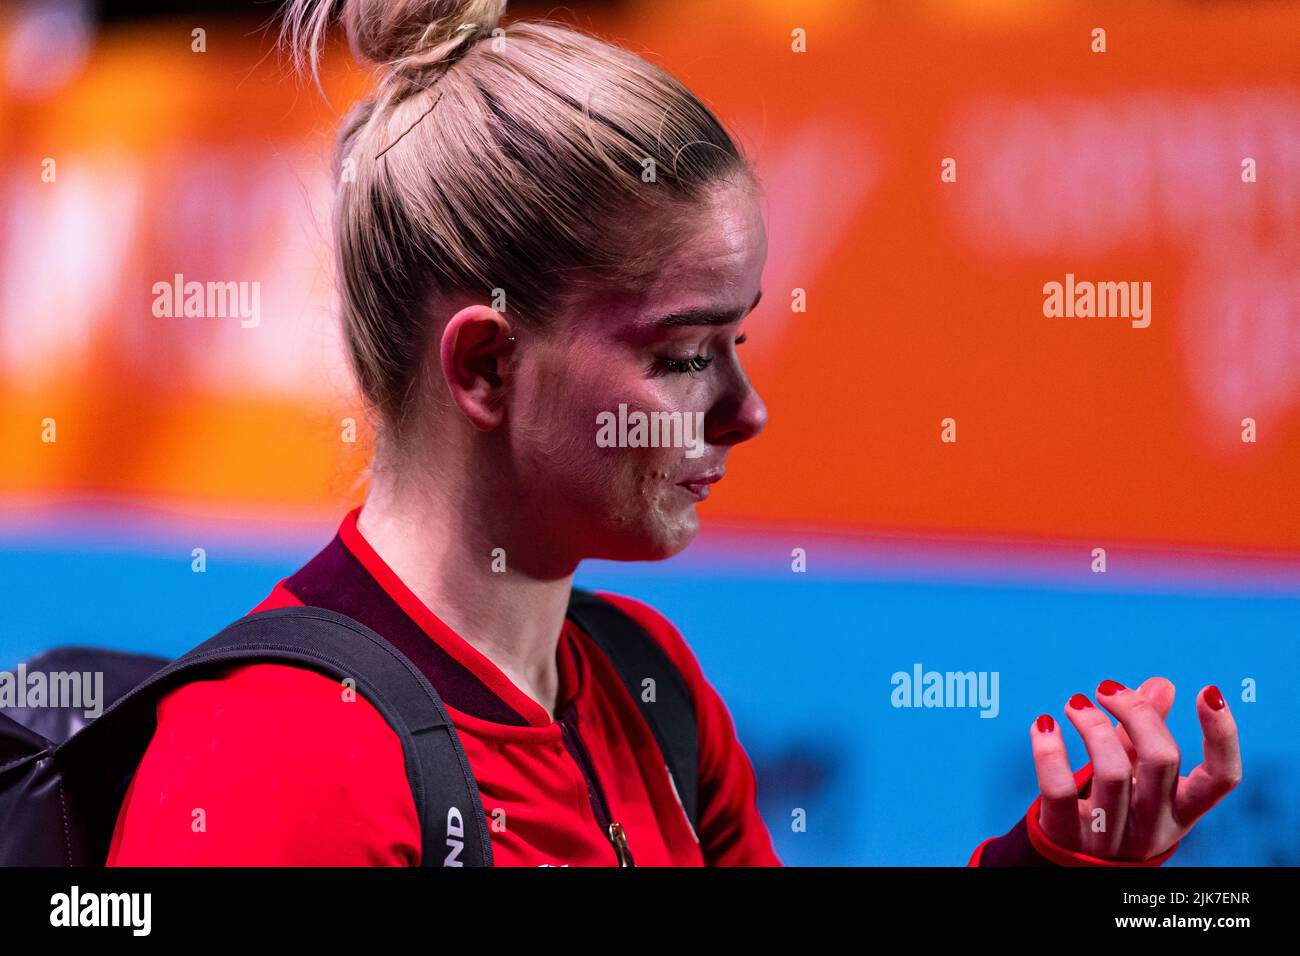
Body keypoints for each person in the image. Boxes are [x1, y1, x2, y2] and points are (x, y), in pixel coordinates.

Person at [106, 0, 1241, 867]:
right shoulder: (273, 762)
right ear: (487, 365)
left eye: (737, 339)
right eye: (685, 354)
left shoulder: (647, 681)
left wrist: (1060, 868)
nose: (746, 411)